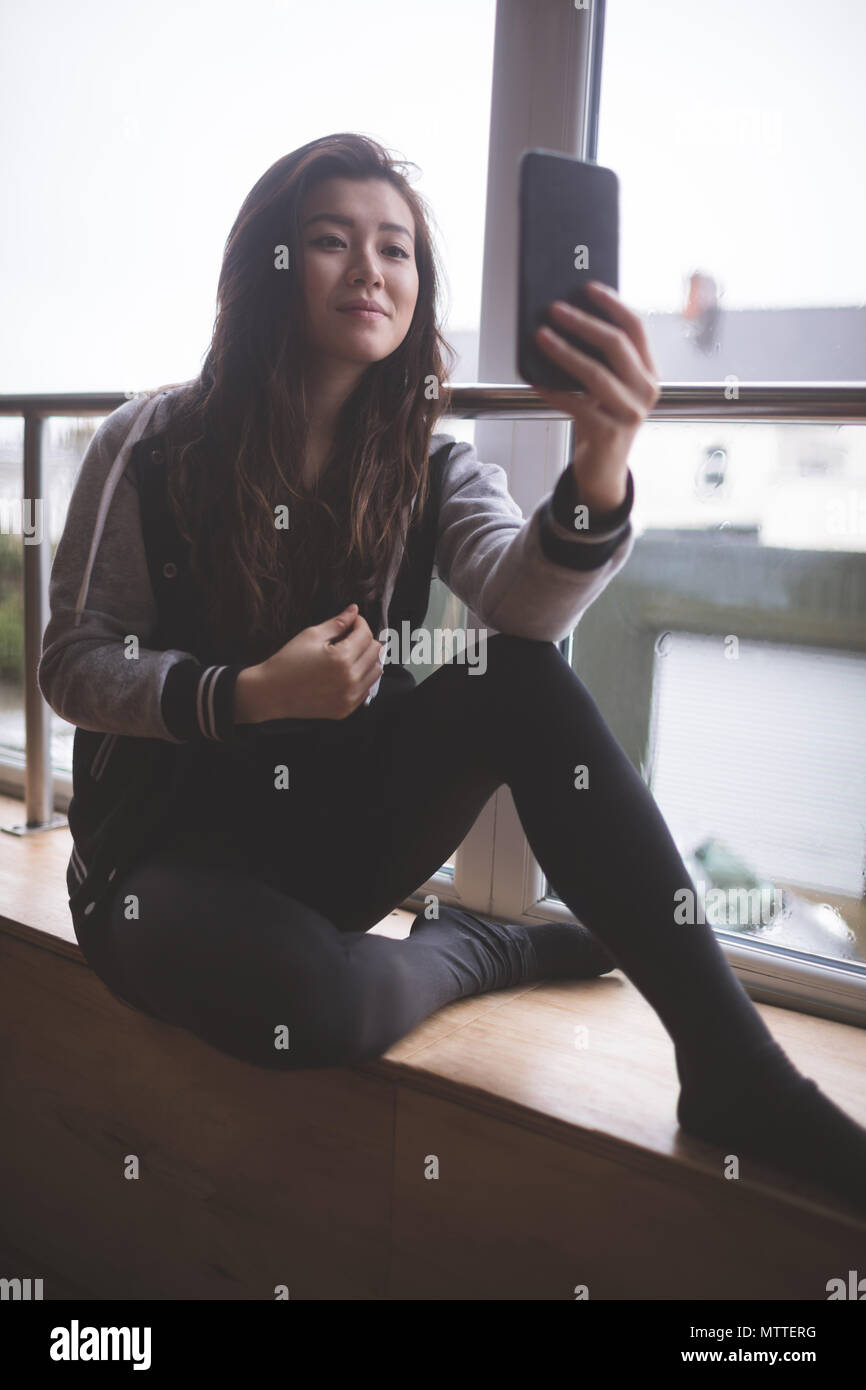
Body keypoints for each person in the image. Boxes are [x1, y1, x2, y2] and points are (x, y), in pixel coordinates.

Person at [39, 133, 866, 1219]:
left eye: (395, 248)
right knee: (317, 1004)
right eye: (329, 241)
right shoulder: (149, 442)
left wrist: (600, 460)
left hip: (327, 845)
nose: (368, 268)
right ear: (268, 271)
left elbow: (519, 607)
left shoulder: (427, 458)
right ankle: (479, 948)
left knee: (514, 674)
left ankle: (734, 1071)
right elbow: (72, 662)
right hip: (159, 866)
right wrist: (247, 693)